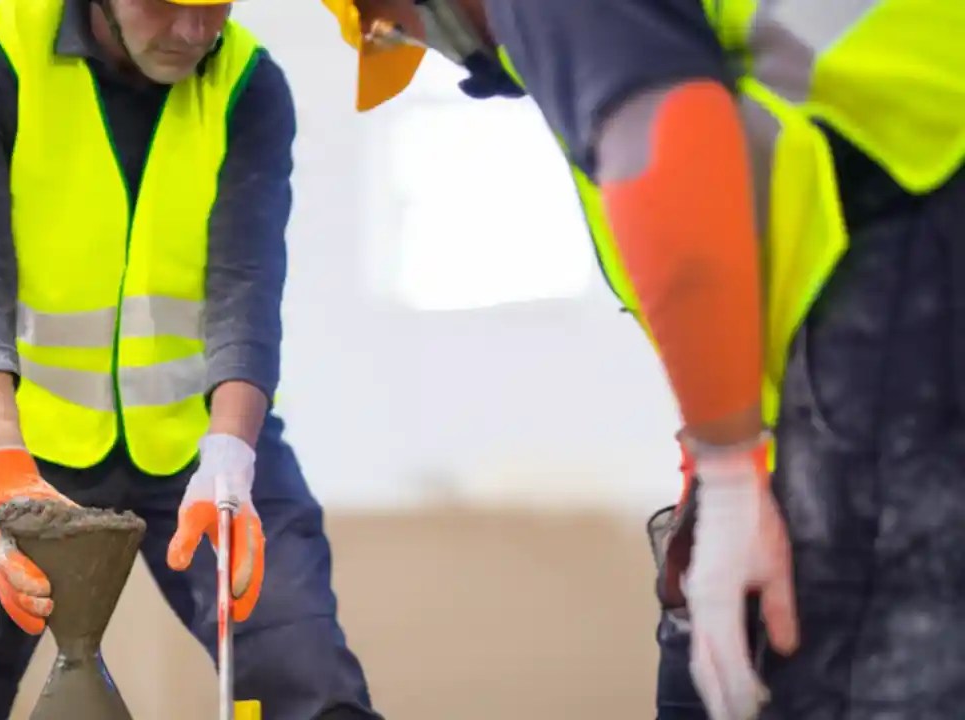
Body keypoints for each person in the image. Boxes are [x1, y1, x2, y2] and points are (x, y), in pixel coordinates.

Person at [316, 0, 965, 718]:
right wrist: (717, 479)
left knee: (862, 669)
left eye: (395, 30)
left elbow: (666, 145)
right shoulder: (634, 49)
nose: (436, 51)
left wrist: (732, 478)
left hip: (926, 201)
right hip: (911, 228)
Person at [0, 0, 382, 716]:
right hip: (12, 437)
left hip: (201, 441)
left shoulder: (249, 83)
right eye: (165, 4)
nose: (193, 31)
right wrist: (2, 466)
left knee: (305, 667)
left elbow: (246, 286)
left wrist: (231, 457)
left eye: (214, 6)